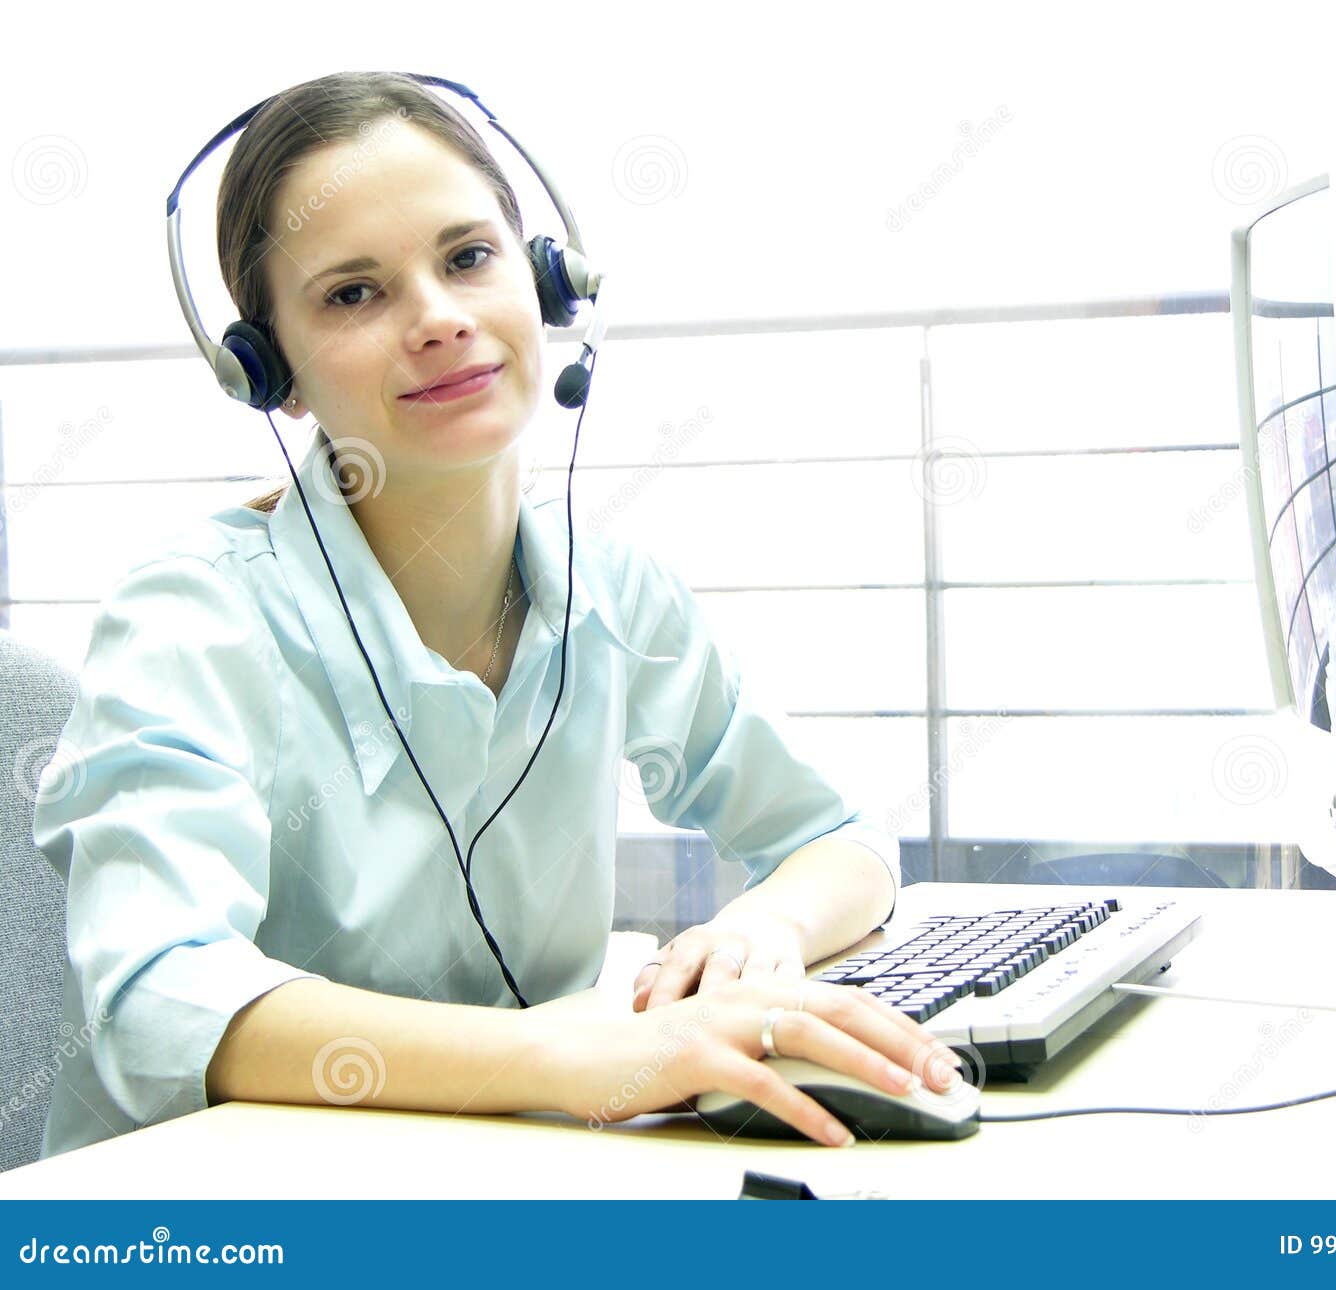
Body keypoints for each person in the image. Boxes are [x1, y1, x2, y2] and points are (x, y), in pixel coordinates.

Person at [32, 71, 963, 1159]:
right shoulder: (193, 617)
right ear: (268, 372)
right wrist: (568, 1059)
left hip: (524, 1169)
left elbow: (838, 837)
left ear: (549, 286)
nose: (437, 320)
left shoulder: (607, 587)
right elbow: (158, 992)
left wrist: (761, 931)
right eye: (352, 294)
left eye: (468, 258)